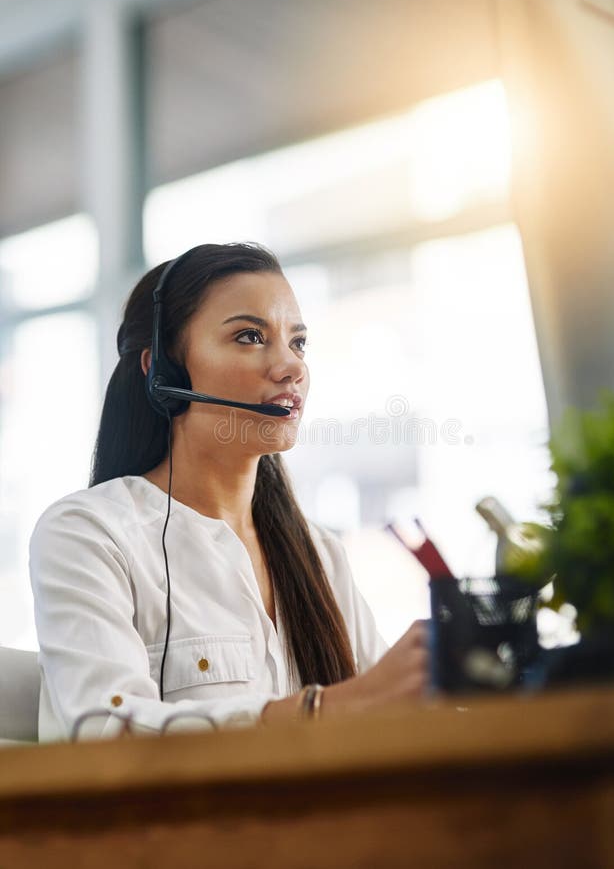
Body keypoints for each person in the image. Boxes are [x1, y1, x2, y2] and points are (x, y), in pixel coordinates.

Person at [29, 242, 429, 741]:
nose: (291, 367)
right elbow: (104, 729)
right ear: (164, 373)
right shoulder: (91, 534)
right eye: (249, 336)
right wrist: (321, 710)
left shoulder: (320, 555)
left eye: (298, 343)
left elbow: (388, 715)